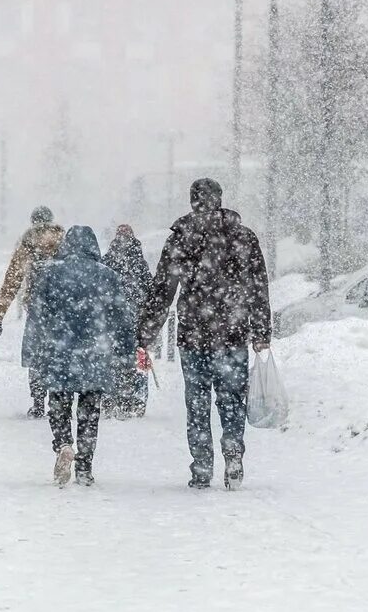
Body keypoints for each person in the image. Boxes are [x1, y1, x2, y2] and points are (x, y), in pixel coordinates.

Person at [139, 178, 271, 490]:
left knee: (197, 401)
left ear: (193, 201)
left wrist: (146, 332)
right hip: (232, 332)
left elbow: (163, 289)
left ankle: (201, 466)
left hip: (193, 332)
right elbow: (257, 287)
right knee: (231, 397)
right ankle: (233, 449)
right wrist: (261, 330)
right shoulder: (242, 237)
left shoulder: (181, 238)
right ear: (220, 199)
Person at [26, 226, 136, 487]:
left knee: (59, 405)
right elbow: (121, 318)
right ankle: (85, 465)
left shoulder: (50, 272)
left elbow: (37, 315)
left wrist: (34, 350)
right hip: (94, 354)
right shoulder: (107, 276)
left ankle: (63, 444)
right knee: (89, 413)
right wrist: (126, 351)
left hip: (60, 351)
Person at [0, 206, 66, 418]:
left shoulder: (28, 244)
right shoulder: (65, 242)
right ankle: (59, 400)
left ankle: (39, 401)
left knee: (38, 357)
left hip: (38, 309)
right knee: (59, 355)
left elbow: (12, 281)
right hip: (64, 310)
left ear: (33, 221)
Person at [102, 225, 153, 418]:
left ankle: (110, 396)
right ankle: (136, 398)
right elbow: (149, 289)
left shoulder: (108, 260)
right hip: (135, 319)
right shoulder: (139, 262)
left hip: (111, 319)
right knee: (137, 358)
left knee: (111, 358)